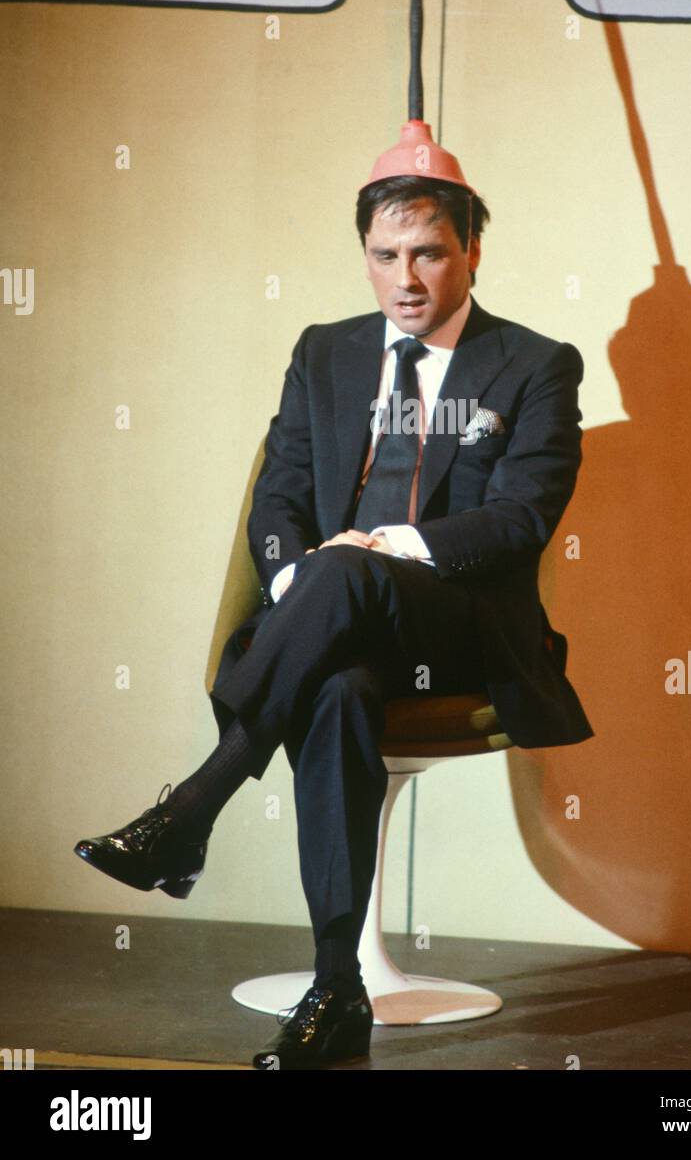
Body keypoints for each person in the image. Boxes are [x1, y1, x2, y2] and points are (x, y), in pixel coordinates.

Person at [74, 120, 594, 1070]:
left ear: (471, 251)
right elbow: (278, 495)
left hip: (458, 622)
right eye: (384, 254)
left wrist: (379, 548)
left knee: (347, 569)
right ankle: (335, 991)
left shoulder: (534, 363)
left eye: (430, 252)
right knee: (342, 685)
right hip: (338, 619)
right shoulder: (324, 352)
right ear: (364, 256)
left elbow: (521, 520)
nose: (406, 278)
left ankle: (193, 808)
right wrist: (299, 574)